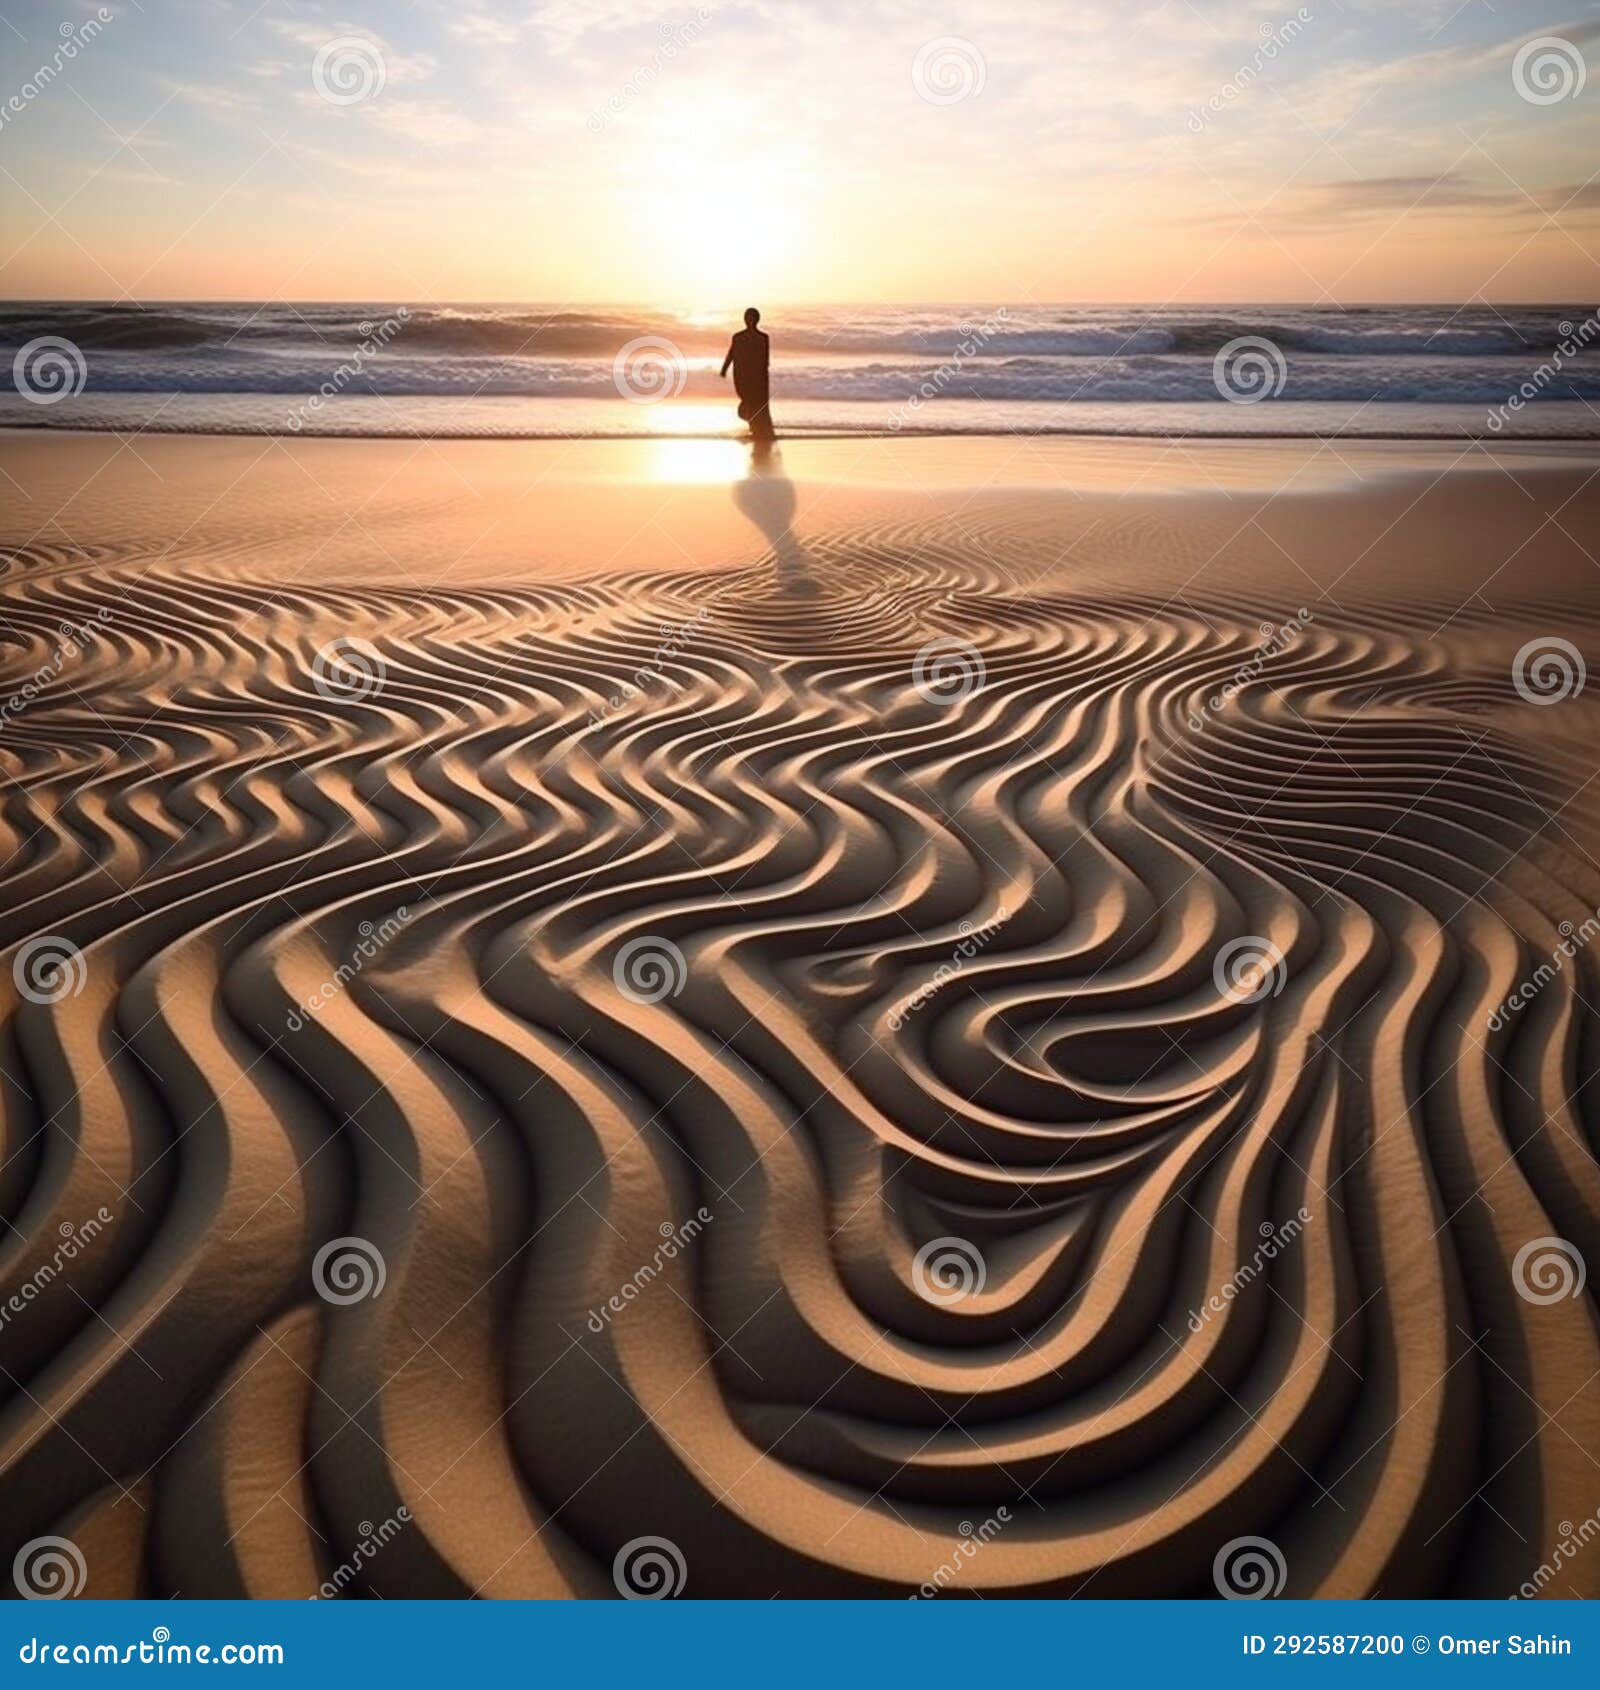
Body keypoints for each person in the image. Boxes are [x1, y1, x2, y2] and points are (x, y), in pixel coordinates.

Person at [720, 307, 774, 439]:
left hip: (757, 377)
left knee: (756, 404)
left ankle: (757, 429)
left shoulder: (763, 338)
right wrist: (724, 368)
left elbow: (765, 360)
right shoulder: (738, 337)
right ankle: (755, 427)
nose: (749, 321)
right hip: (743, 376)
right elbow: (731, 354)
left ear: (756, 320)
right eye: (748, 318)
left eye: (752, 318)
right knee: (749, 403)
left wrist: (763, 377)